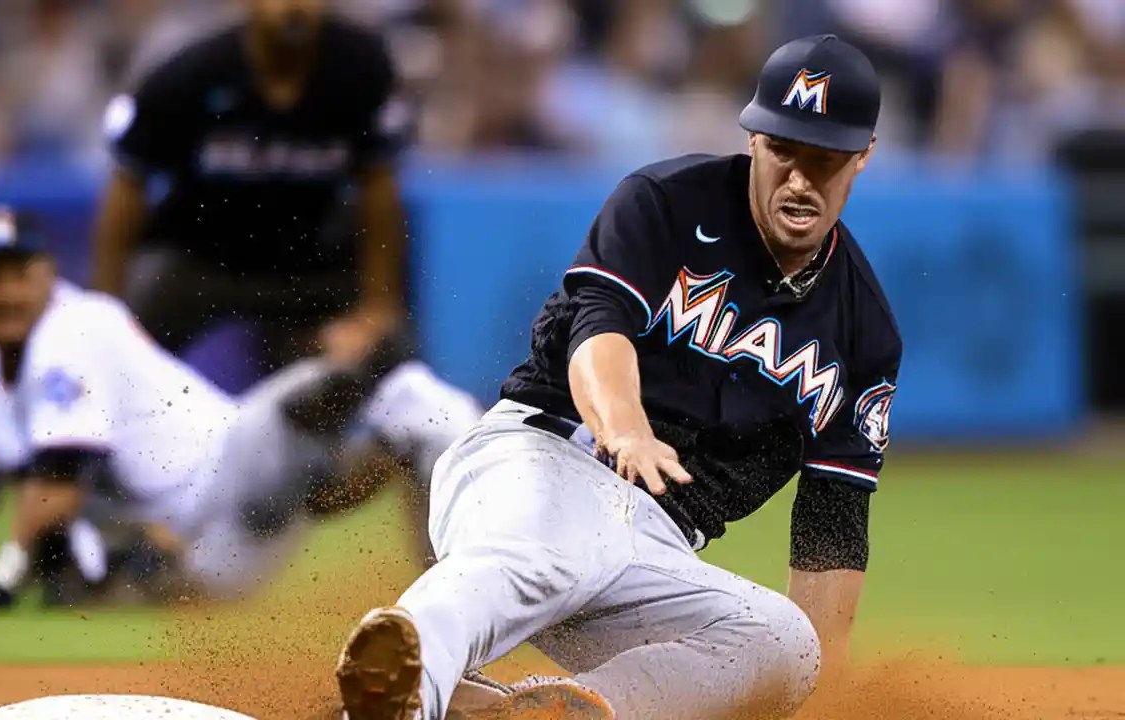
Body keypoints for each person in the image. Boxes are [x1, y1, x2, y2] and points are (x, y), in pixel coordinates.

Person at [331, 34, 901, 720]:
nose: (801, 180)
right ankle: (406, 674)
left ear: (865, 154)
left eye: (826, 158)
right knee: (533, 557)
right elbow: (597, 328)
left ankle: (550, 714)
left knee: (786, 644)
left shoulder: (864, 330)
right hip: (543, 461)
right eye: (784, 150)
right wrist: (624, 426)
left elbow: (833, 521)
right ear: (753, 139)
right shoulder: (666, 202)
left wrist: (824, 692)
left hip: (655, 549)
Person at [0, 206, 481, 611]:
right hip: (194, 561)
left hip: (227, 472)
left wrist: (5, 580)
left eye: (19, 272)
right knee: (374, 406)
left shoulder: (75, 325)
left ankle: (451, 616)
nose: (6, 291)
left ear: (48, 276)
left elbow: (56, 491)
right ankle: (341, 417)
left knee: (423, 412)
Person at [89, 0, 411, 379]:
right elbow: (128, 186)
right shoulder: (192, 74)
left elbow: (378, 190)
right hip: (200, 261)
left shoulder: (361, 67)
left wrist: (376, 307)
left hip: (307, 265)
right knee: (112, 355)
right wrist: (107, 309)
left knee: (389, 348)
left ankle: (329, 430)